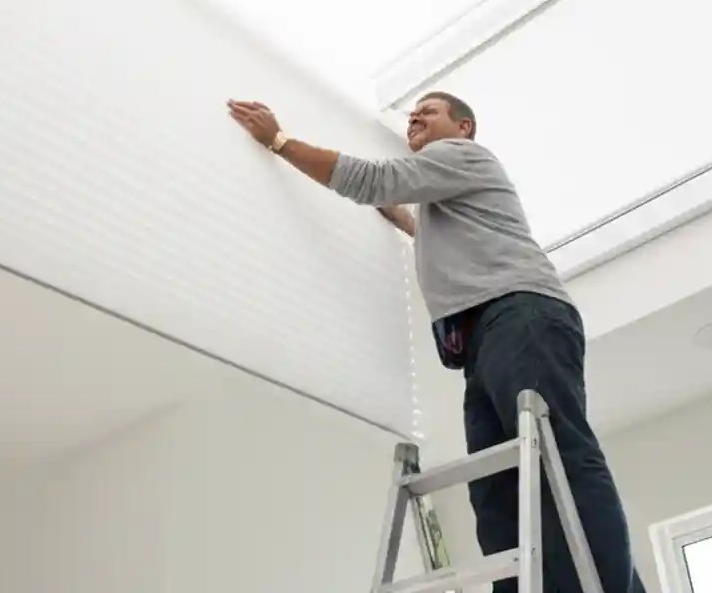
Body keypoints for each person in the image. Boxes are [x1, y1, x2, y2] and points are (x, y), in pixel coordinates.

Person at [228, 93, 645, 593]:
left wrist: (278, 140)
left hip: (520, 313)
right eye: (411, 113)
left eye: (429, 111)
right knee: (496, 489)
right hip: (484, 340)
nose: (414, 118)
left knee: (560, 458)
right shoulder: (447, 197)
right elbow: (437, 229)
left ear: (465, 127)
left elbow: (373, 180)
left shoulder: (464, 156)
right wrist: (405, 221)